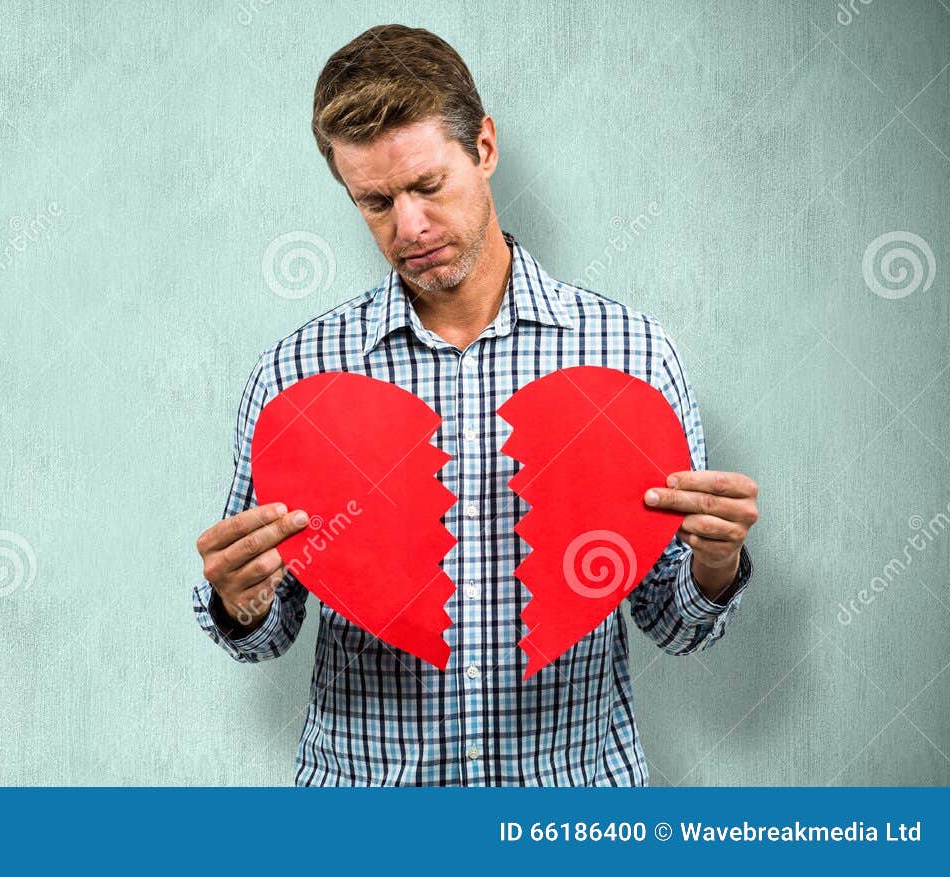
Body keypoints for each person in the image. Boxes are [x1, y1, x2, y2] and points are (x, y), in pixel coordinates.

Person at [192, 25, 760, 786]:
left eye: (428, 186)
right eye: (376, 202)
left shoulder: (631, 354)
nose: (410, 228)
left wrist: (714, 564)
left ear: (484, 148)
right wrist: (241, 599)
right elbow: (266, 631)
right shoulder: (299, 375)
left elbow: (674, 626)